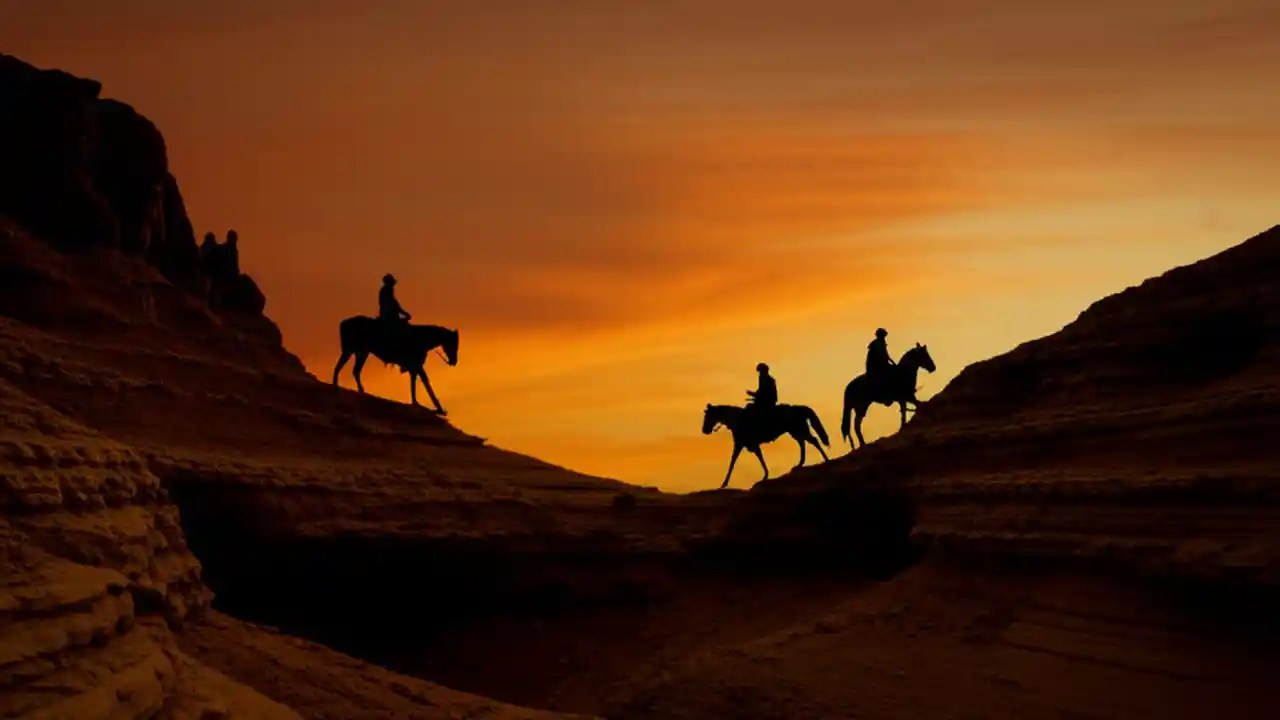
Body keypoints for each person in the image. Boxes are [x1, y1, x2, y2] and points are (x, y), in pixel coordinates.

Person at [866, 328, 896, 403]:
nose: (884, 337)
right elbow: (882, 357)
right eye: (883, 336)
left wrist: (893, 363)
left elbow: (886, 356)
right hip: (876, 367)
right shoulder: (877, 344)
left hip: (880, 365)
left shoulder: (880, 343)